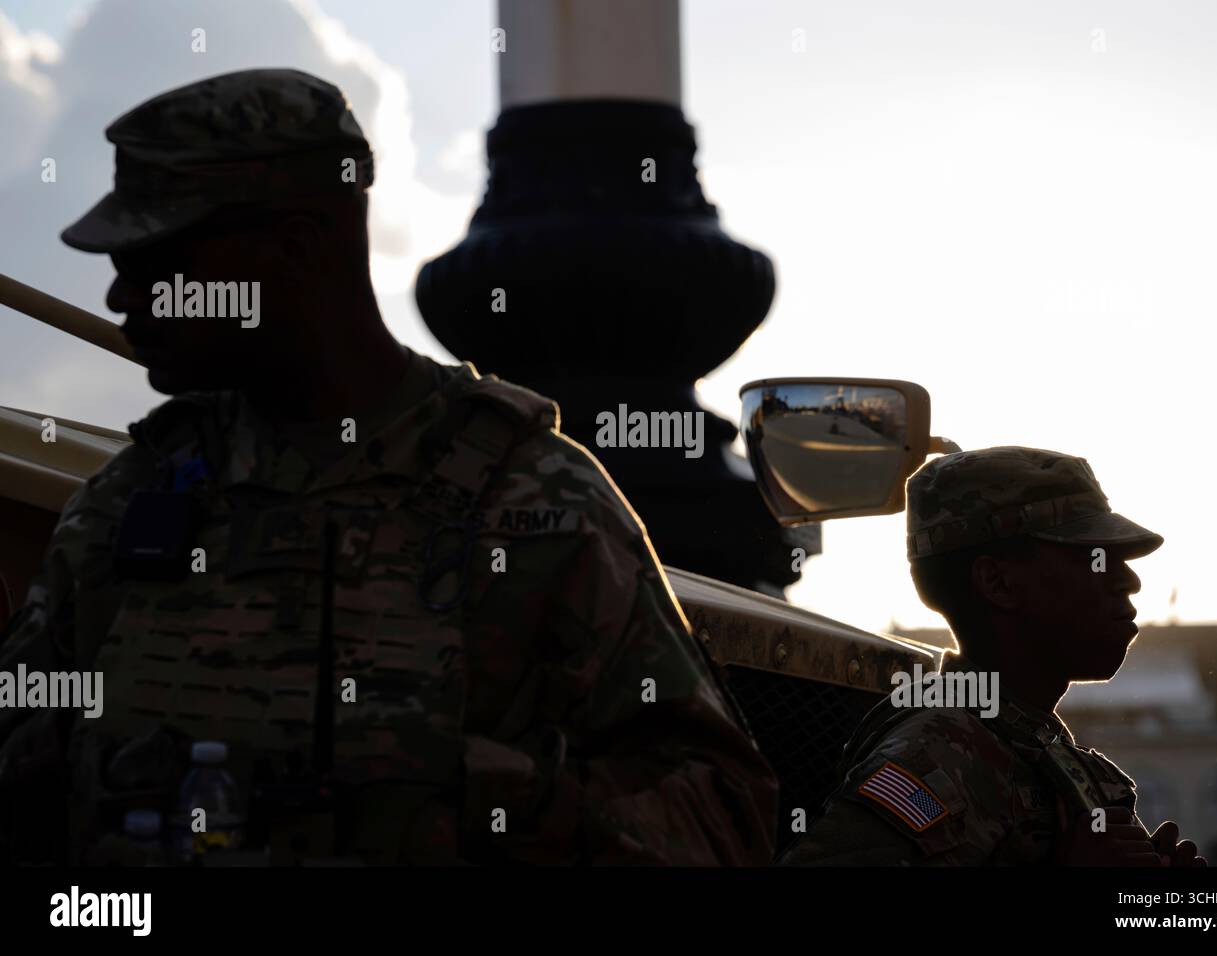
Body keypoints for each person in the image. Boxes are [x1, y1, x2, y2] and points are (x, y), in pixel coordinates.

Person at [0, 69, 777, 866]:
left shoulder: (536, 502)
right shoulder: (130, 499)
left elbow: (722, 820)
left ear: (296, 248)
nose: (123, 295)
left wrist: (457, 787)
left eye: (158, 260)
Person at [781, 446, 1205, 866]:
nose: (1129, 582)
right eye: (1094, 559)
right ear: (997, 583)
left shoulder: (1044, 756)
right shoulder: (931, 762)